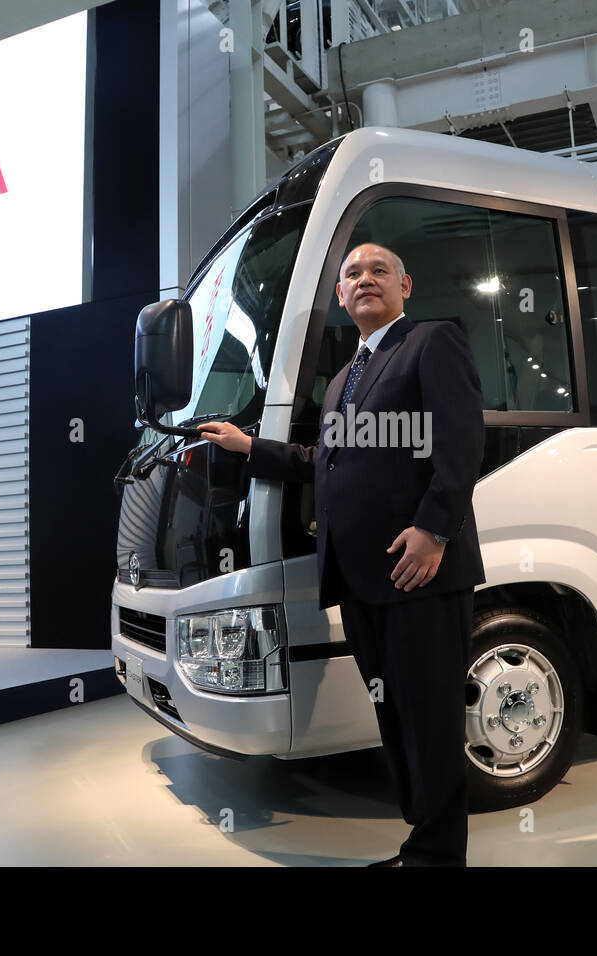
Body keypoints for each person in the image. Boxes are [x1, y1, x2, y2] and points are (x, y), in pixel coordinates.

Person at [199, 242, 486, 866]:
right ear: (339, 295)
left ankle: (440, 858)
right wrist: (251, 447)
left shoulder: (431, 342)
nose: (365, 281)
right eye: (352, 274)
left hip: (420, 576)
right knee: (396, 720)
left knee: (430, 724)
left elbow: (462, 442)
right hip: (361, 580)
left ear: (405, 284)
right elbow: (320, 462)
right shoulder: (343, 380)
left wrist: (434, 530)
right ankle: (422, 847)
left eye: (379, 270)